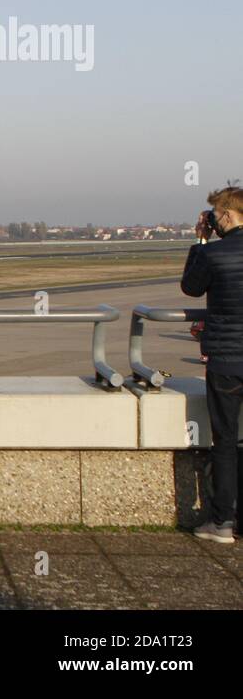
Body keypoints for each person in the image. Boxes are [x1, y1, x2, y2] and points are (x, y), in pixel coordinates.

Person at [182, 187, 243, 544]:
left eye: (215, 214)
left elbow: (190, 287)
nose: (213, 220)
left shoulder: (216, 252)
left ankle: (222, 522)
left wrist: (201, 243)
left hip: (226, 361)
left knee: (225, 443)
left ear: (228, 216)